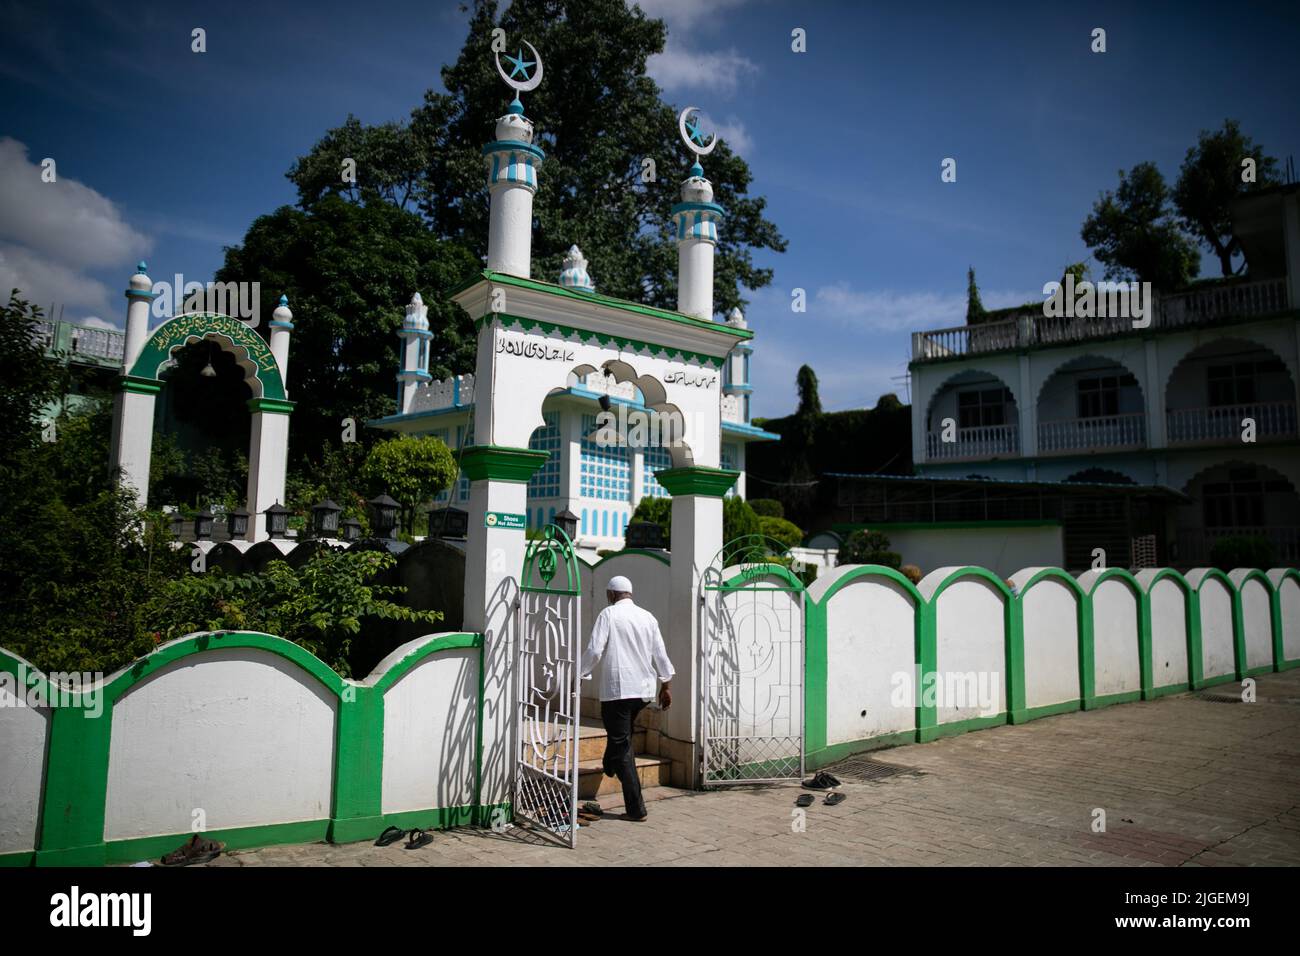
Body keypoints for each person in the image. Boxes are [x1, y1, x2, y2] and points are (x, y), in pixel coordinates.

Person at [579, 574, 674, 821]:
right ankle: (610, 764)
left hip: (618, 691)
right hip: (642, 691)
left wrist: (578, 673)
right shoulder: (648, 617)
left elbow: (595, 649)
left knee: (622, 744)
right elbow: (660, 654)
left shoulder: (608, 615)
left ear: (611, 594)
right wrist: (666, 686)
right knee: (622, 735)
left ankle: (636, 808)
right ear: (629, 593)